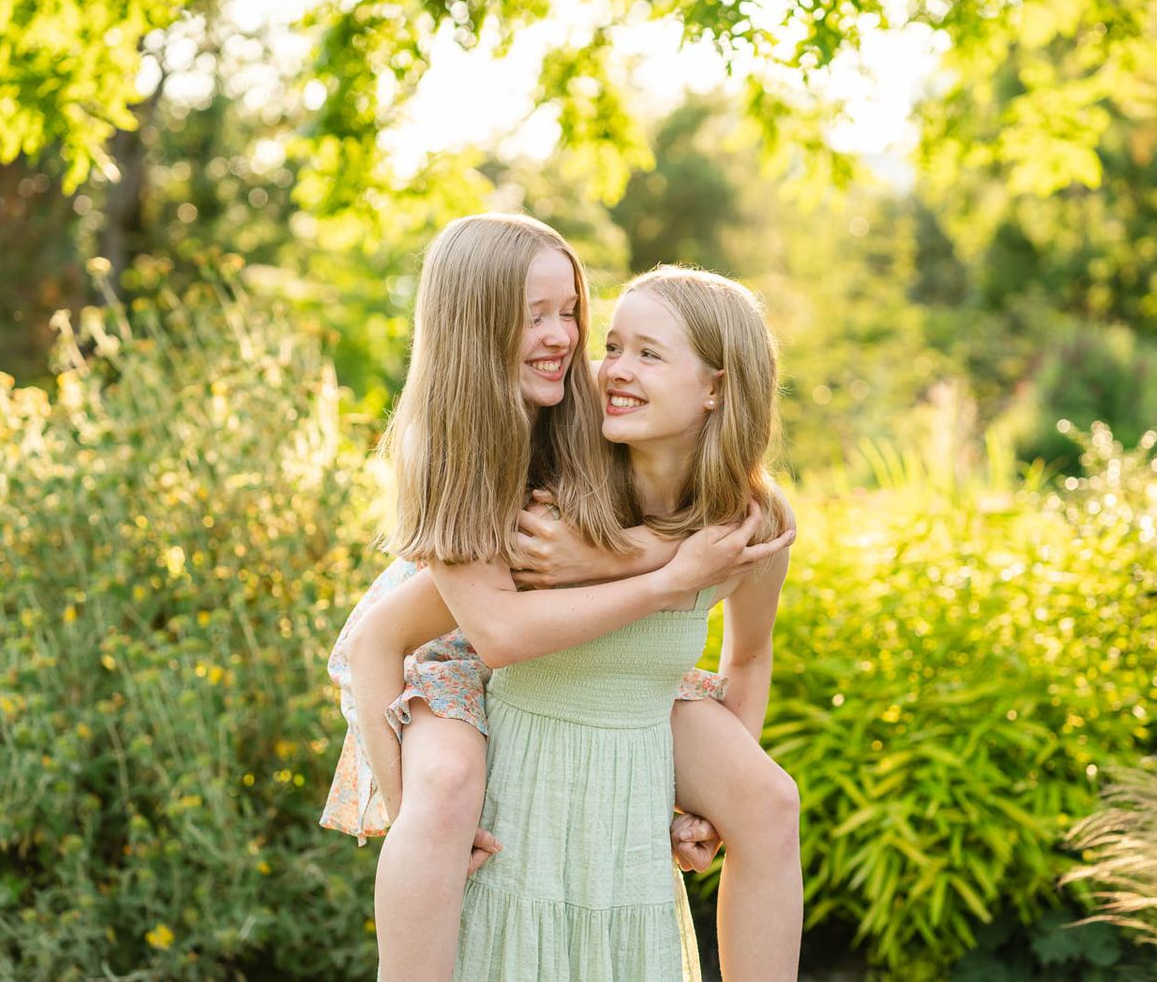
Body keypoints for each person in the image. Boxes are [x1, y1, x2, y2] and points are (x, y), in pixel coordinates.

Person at [322, 215, 801, 979]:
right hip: (456, 647)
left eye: (572, 312)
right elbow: (454, 634)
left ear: (718, 388)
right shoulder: (502, 453)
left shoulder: (725, 506)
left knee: (770, 803)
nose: (576, 344)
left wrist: (701, 808)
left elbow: (749, 653)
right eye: (536, 316)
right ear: (479, 329)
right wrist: (401, 797)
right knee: (442, 789)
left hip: (607, 658)